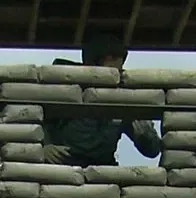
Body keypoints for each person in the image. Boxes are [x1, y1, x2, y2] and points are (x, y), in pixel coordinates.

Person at [42, 34, 162, 168]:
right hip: (65, 167)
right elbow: (37, 118)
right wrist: (44, 147)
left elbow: (153, 150)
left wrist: (145, 137)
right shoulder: (67, 91)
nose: (115, 76)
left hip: (103, 171)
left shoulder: (122, 99)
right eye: (110, 66)